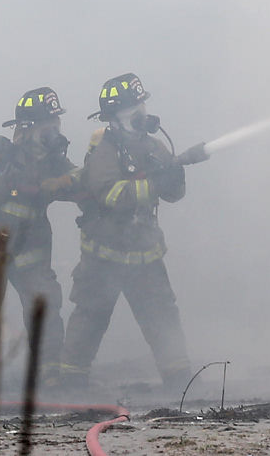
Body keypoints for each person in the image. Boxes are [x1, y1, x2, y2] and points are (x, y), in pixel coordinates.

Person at [59, 73, 208, 394]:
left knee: (162, 318)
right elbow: (108, 193)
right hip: (103, 257)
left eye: (141, 106)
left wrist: (175, 176)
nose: (140, 115)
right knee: (91, 318)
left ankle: (181, 383)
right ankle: (69, 384)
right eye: (132, 111)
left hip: (146, 254)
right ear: (114, 119)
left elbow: (174, 194)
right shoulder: (105, 150)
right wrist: (154, 184)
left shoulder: (153, 147)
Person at [0, 86, 79, 396]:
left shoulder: (54, 163)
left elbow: (81, 181)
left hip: (32, 253)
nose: (53, 132)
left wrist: (64, 181)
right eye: (46, 126)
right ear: (26, 129)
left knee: (45, 309)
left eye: (55, 125)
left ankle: (49, 379)